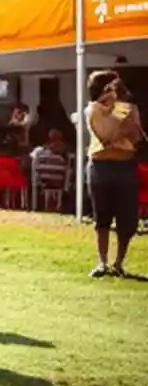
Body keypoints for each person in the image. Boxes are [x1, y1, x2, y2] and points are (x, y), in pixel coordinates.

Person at [84, 70, 143, 278]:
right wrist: (123, 126)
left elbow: (136, 136)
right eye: (112, 86)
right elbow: (106, 137)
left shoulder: (126, 108)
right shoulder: (94, 110)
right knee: (102, 217)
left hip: (125, 165)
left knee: (126, 217)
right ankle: (102, 262)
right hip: (101, 167)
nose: (117, 90)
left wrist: (127, 123)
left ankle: (119, 263)